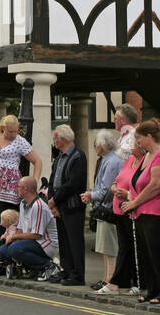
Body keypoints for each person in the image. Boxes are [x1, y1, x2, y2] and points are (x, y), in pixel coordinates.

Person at [120, 119, 160, 304]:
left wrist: (134, 202)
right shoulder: (147, 155)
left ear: (150, 137)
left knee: (158, 253)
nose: (138, 143)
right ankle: (152, 289)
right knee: (147, 253)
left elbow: (156, 185)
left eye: (140, 139)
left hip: (157, 211)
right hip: (143, 211)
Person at [0, 115, 42, 237]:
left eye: (16, 131)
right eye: (11, 131)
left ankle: (3, 254)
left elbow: (37, 161)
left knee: (4, 227)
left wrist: (34, 182)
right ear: (3, 128)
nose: (14, 134)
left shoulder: (19, 141)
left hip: (8, 191)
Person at [97, 143, 145, 296]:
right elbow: (116, 181)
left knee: (132, 248)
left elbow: (142, 185)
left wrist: (127, 194)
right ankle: (122, 281)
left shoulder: (145, 161)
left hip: (133, 209)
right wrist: (115, 188)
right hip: (119, 209)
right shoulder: (130, 160)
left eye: (134, 143)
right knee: (124, 247)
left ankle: (125, 281)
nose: (130, 147)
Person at [0, 176, 59, 279]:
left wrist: (13, 238)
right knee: (3, 250)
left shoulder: (38, 206)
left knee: (14, 249)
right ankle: (31, 268)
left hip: (46, 244)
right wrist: (13, 237)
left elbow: (37, 234)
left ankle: (48, 266)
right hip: (33, 241)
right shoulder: (23, 203)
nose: (17, 189)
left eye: (18, 187)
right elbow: (20, 228)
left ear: (25, 189)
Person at [84, 130, 124, 292]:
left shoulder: (112, 162)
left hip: (108, 208)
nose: (95, 147)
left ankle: (110, 279)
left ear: (103, 145)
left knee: (109, 247)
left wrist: (90, 194)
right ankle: (107, 278)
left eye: (97, 144)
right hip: (105, 207)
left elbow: (106, 188)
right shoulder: (108, 160)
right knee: (104, 247)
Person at [48, 124, 88, 286]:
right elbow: (52, 181)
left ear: (62, 139)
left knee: (74, 241)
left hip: (72, 205)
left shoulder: (78, 156)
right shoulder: (59, 157)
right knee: (64, 240)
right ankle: (67, 270)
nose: (54, 141)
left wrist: (54, 200)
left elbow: (73, 183)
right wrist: (53, 203)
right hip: (59, 204)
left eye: (55, 138)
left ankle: (77, 274)